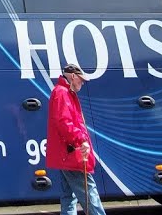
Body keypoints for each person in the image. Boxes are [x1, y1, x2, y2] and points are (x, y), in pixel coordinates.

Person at [47, 64, 107, 215]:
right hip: (72, 154)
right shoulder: (62, 93)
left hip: (65, 154)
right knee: (90, 194)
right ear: (73, 76)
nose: (82, 82)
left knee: (69, 198)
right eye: (81, 79)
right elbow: (65, 123)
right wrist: (81, 140)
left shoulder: (62, 92)